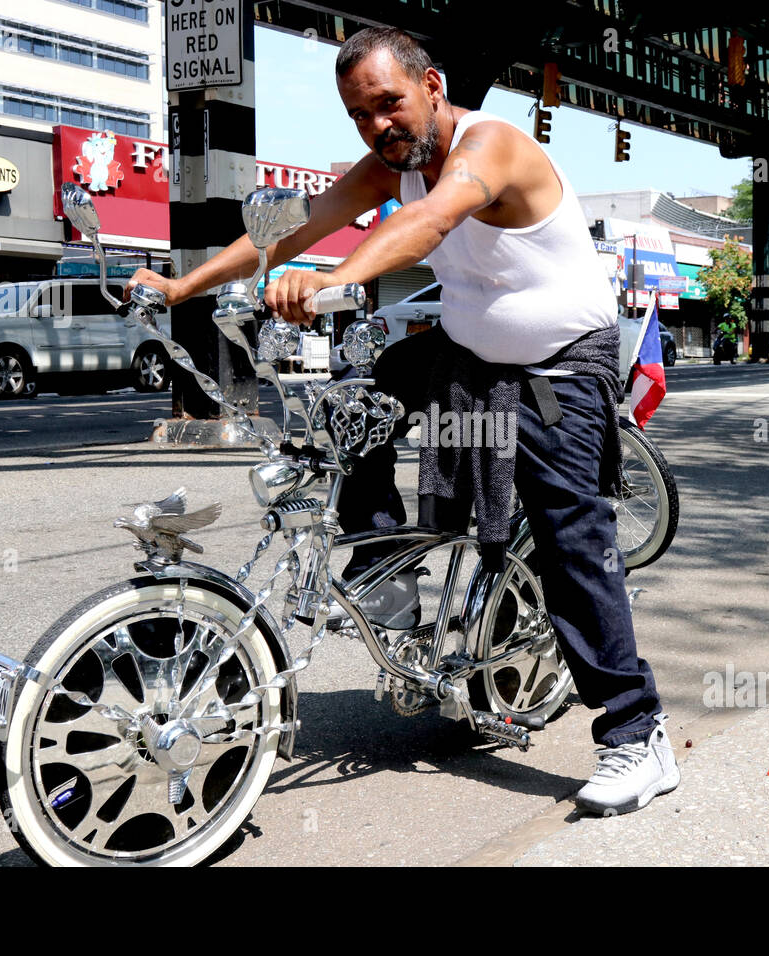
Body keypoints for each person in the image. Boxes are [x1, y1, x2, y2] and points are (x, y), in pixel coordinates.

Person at [125, 27, 678, 816]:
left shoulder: (489, 149)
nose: (377, 125)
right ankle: (387, 576)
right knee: (353, 413)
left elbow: (429, 225)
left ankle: (635, 734)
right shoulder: (394, 164)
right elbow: (295, 226)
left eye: (388, 103)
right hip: (464, 349)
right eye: (359, 114)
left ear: (432, 87)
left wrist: (335, 279)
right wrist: (185, 288)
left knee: (571, 540)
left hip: (558, 369)